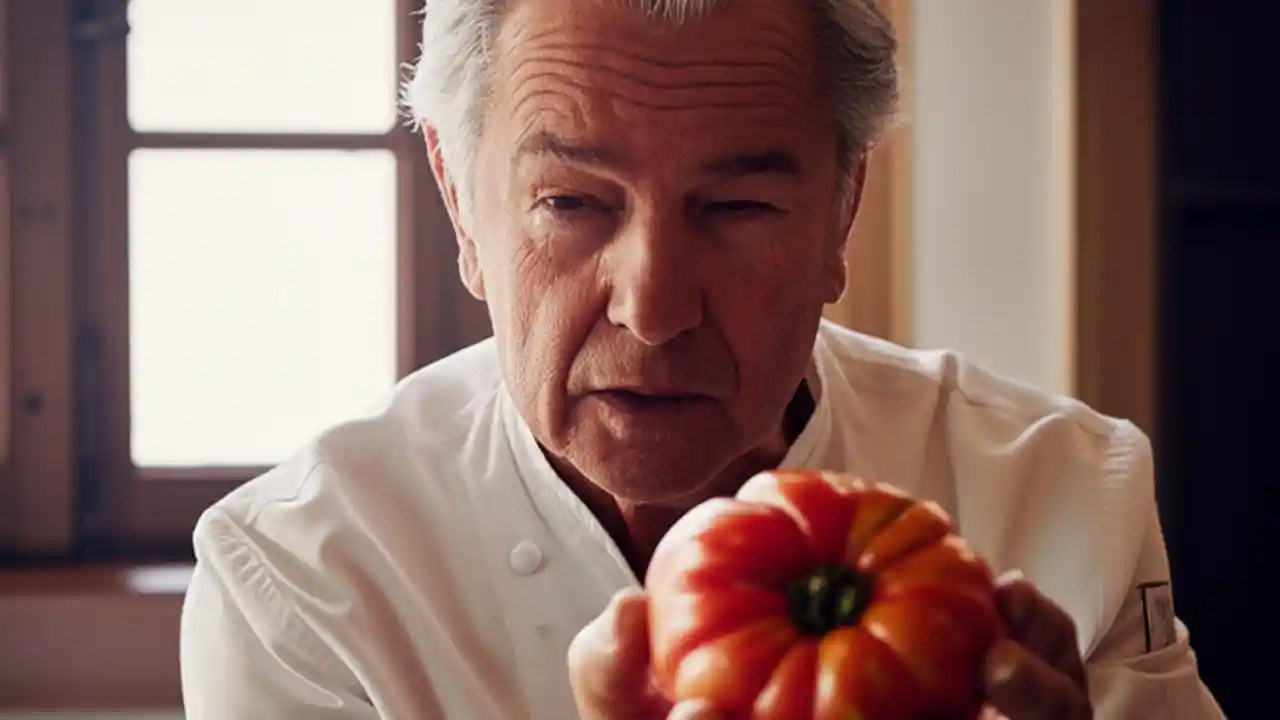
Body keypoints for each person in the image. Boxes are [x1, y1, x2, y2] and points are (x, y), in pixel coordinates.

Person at [179, 0, 1223, 717]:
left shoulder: (1055, 495)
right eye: (571, 202)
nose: (653, 309)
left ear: (842, 210)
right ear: (459, 200)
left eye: (737, 206)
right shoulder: (306, 578)